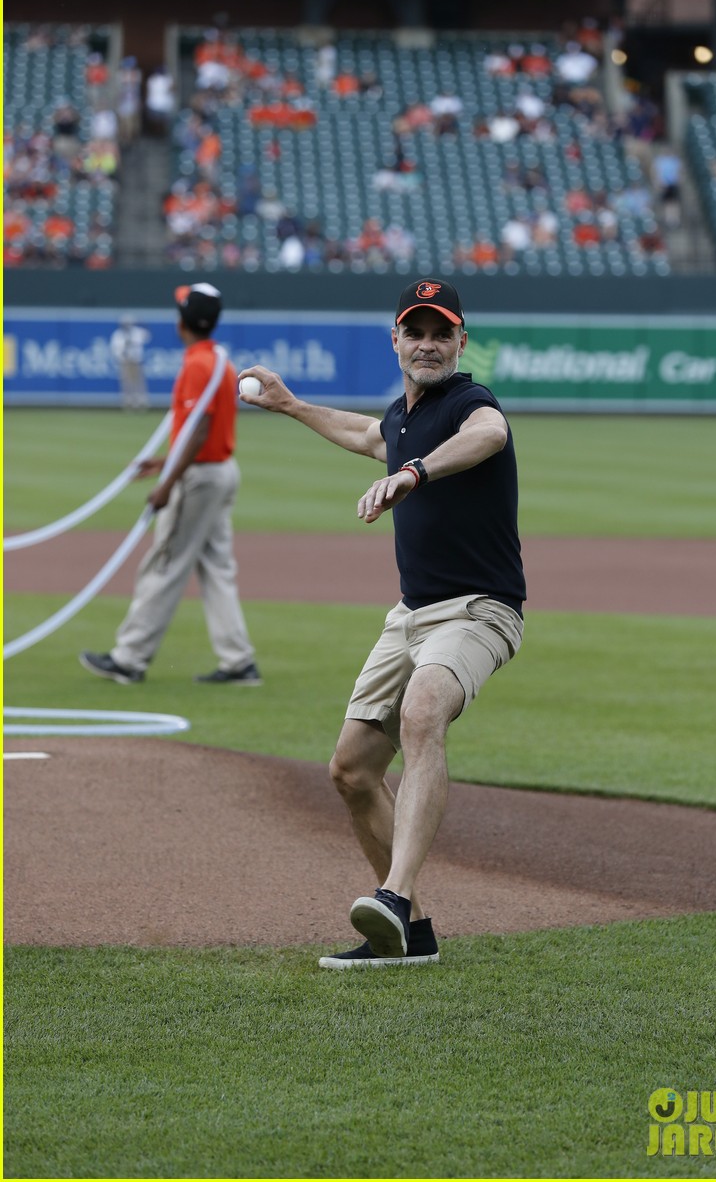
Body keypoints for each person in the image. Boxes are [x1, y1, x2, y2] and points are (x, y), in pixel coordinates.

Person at [239, 279, 525, 969]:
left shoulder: (468, 403)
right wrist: (290, 405)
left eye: (440, 332)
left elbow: (489, 435)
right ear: (395, 340)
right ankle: (411, 936)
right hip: (410, 616)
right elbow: (366, 434)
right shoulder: (401, 416)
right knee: (352, 770)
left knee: (423, 709)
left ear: (461, 342)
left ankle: (392, 896)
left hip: (479, 608)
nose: (427, 343)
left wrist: (414, 474)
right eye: (414, 331)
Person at [80, 283, 260, 686]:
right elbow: (203, 433)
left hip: (198, 478)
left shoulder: (199, 364)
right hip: (218, 470)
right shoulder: (217, 359)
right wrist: (165, 460)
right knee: (216, 568)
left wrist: (167, 481)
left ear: (183, 321)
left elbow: (199, 431)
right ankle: (238, 661)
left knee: (164, 563)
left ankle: (129, 658)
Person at [110, 314, 150, 410]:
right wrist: (122, 353)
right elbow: (115, 349)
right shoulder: (118, 334)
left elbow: (147, 336)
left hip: (136, 361)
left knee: (138, 382)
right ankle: (128, 403)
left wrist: (143, 324)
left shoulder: (137, 332)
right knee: (127, 383)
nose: (126, 325)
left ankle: (141, 403)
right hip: (125, 362)